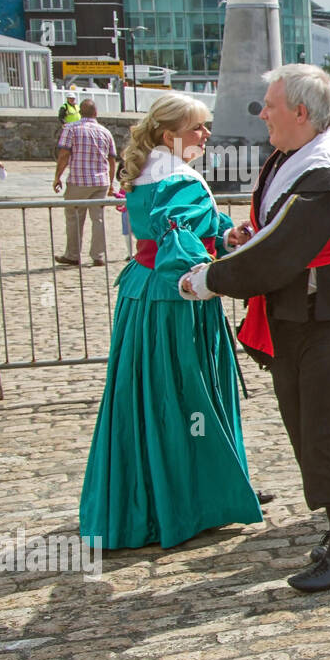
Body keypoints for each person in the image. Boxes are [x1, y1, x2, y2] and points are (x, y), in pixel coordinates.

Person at [178, 64, 330, 592]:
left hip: (326, 314)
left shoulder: (328, 174)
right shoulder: (291, 160)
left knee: (323, 428)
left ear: (300, 112)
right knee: (303, 425)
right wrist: (245, 236)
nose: (262, 113)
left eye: (270, 104)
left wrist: (210, 279)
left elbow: (282, 253)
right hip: (297, 312)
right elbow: (277, 232)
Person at [79, 92, 263, 549]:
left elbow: (178, 228)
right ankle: (190, 500)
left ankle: (168, 496)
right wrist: (200, 277)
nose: (206, 134)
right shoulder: (175, 177)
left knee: (148, 395)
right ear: (169, 135)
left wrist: (223, 233)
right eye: (197, 127)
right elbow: (177, 240)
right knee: (184, 394)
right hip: (173, 301)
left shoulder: (148, 173)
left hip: (142, 294)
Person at [53, 99, 117, 267]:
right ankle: (98, 255)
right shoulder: (105, 132)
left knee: (74, 218)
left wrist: (57, 176)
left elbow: (64, 155)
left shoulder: (71, 129)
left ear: (80, 112)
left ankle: (73, 254)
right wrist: (110, 183)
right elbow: (111, 160)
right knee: (99, 219)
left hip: (78, 180)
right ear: (96, 113)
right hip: (100, 181)